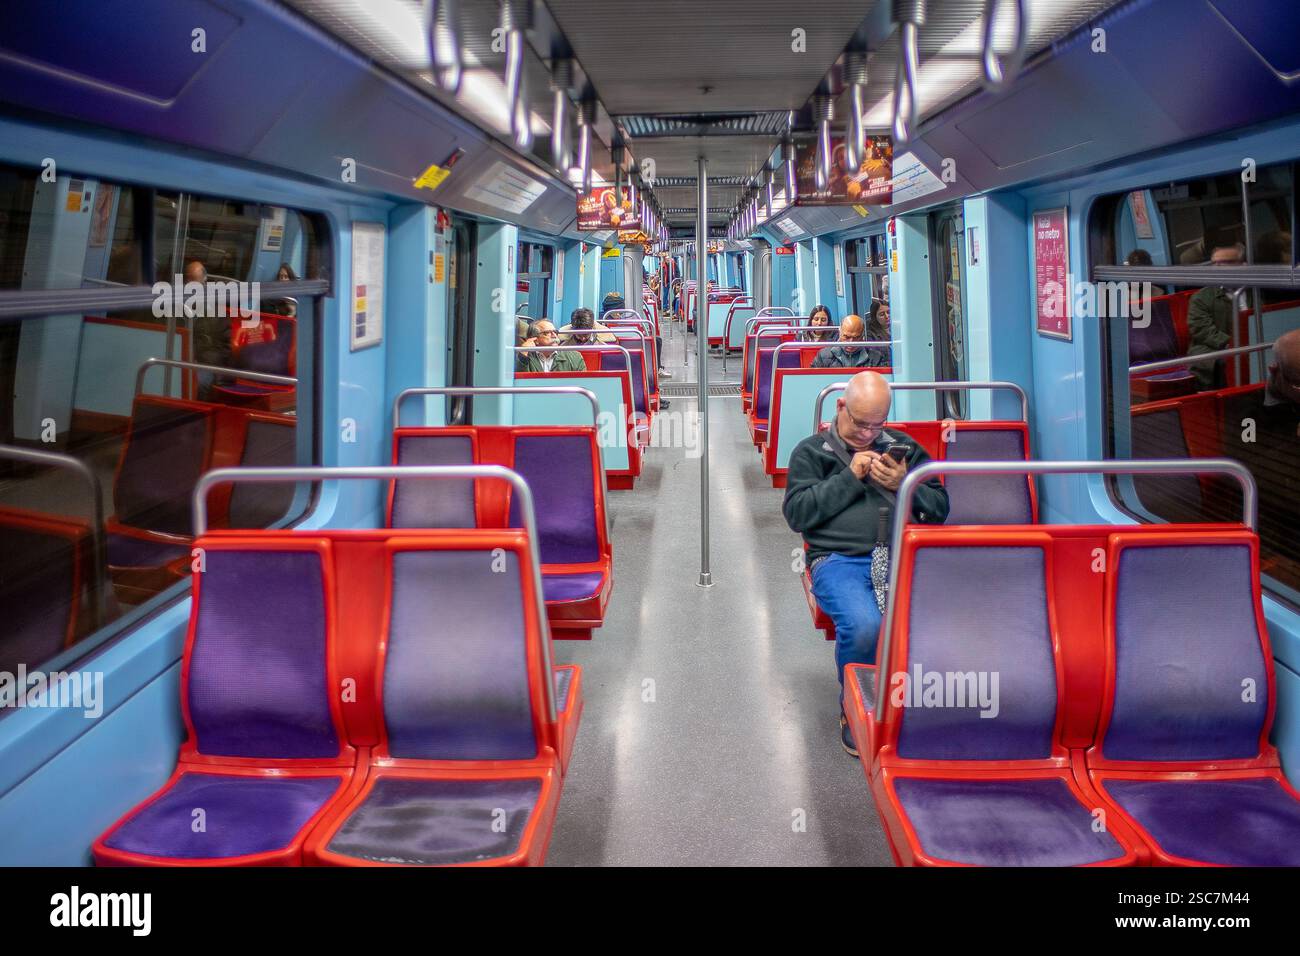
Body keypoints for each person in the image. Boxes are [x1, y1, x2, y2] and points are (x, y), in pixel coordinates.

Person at [783, 371, 949, 757]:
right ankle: (857, 709)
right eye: (860, 424)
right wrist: (849, 477)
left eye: (877, 425)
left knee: (941, 621)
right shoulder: (811, 453)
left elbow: (940, 510)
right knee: (865, 626)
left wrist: (906, 483)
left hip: (901, 557)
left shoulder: (903, 448)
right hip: (838, 559)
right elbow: (798, 515)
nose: (867, 434)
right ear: (841, 407)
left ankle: (923, 707)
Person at [1219, 328, 1300, 577]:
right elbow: (1248, 472)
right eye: (1298, 385)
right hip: (1277, 521)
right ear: (1274, 372)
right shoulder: (1248, 415)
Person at [1187, 242, 1245, 389]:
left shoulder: (1256, 293)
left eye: (1226, 262)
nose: (1219, 268)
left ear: (1243, 265)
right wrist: (1235, 344)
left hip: (1251, 345)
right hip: (1215, 348)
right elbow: (1203, 331)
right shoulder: (1201, 298)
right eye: (1215, 263)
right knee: (1223, 362)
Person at [186, 259, 232, 399]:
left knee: (196, 383)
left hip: (204, 363)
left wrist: (197, 359)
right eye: (189, 282)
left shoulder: (217, 311)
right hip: (179, 359)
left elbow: (223, 348)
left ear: (204, 282)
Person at [517, 320, 586, 373]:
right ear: (535, 339)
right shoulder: (524, 357)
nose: (554, 335)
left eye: (555, 332)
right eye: (547, 333)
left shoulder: (575, 357)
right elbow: (519, 383)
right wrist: (523, 354)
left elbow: (583, 385)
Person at [811, 314, 876, 369]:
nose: (851, 343)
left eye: (856, 338)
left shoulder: (876, 358)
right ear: (840, 332)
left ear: (863, 336)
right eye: (846, 337)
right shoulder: (823, 356)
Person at [866, 300, 892, 366]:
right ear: (875, 317)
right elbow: (875, 359)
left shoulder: (899, 328)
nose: (887, 316)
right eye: (882, 314)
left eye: (888, 312)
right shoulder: (870, 335)